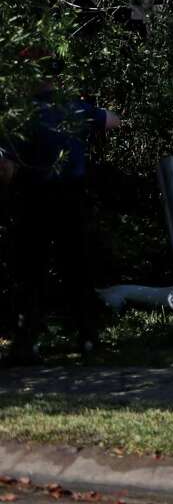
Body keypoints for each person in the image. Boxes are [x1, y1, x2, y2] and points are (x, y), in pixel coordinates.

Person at [3, 58, 121, 364]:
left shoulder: (23, 116)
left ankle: (25, 343)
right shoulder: (74, 109)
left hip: (36, 198)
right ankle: (88, 339)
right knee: (76, 269)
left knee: (30, 272)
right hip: (72, 197)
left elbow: (8, 171)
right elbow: (113, 120)